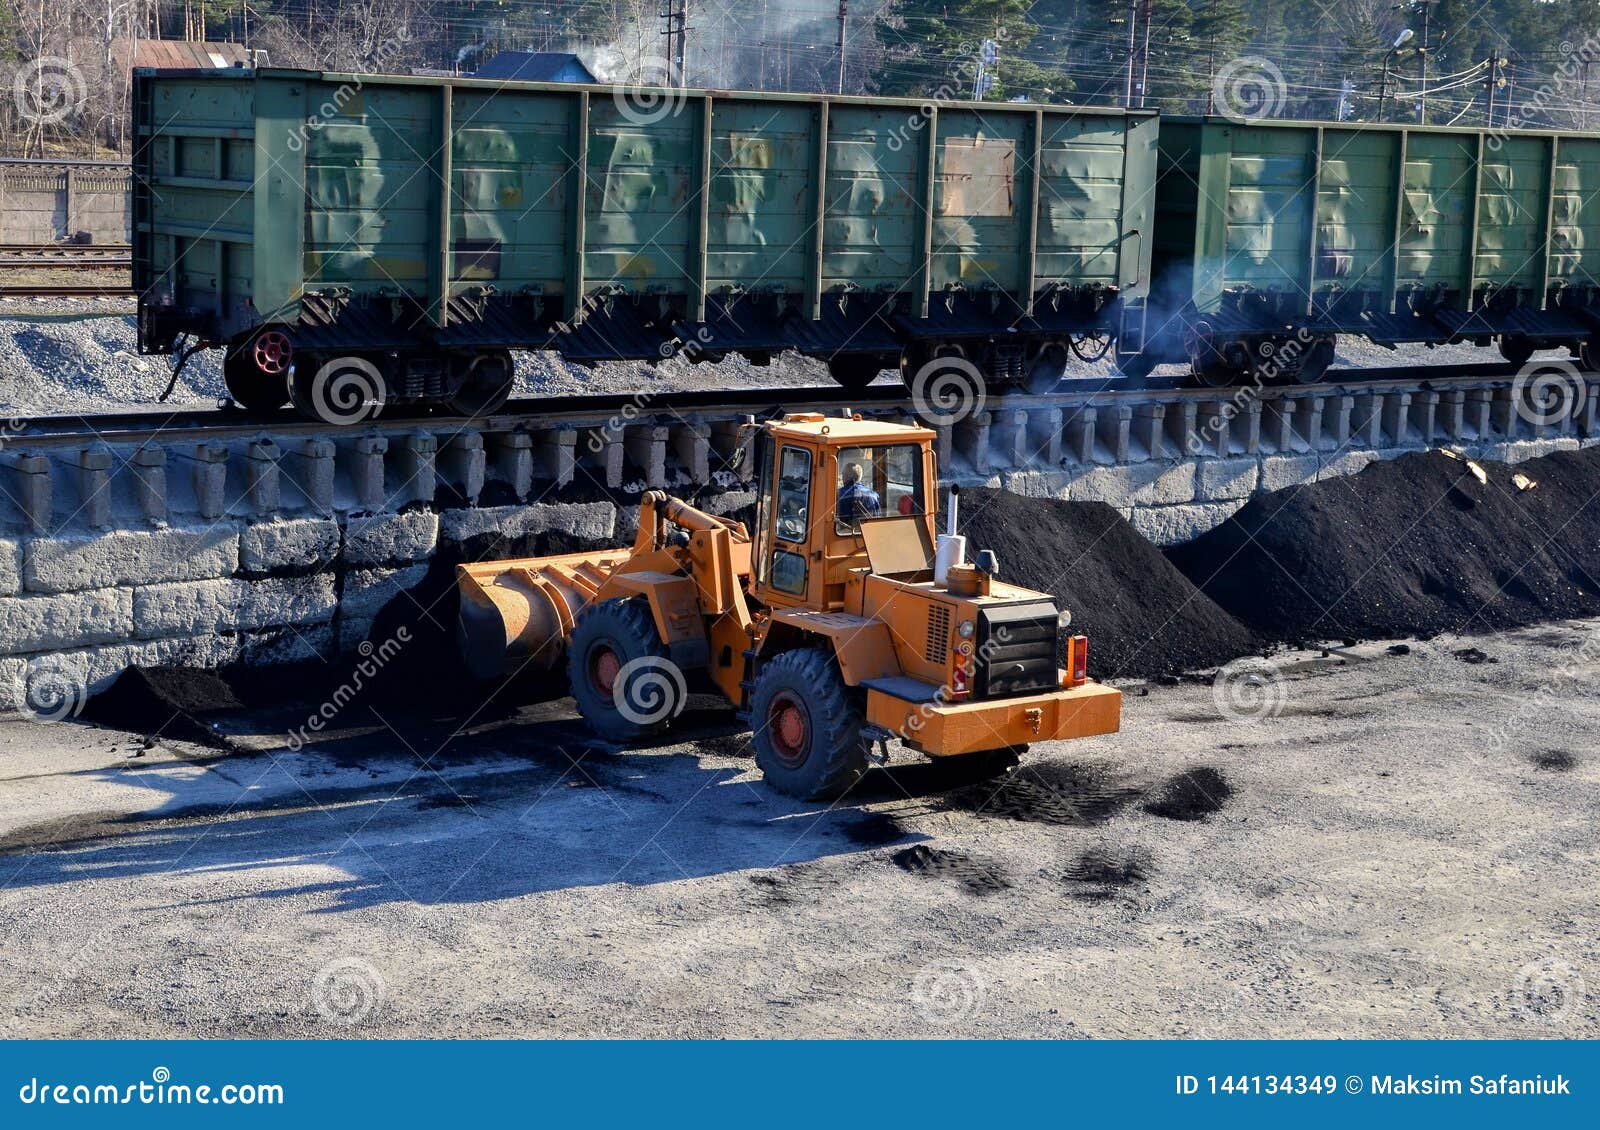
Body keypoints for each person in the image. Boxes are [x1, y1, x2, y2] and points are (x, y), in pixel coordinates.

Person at [837, 461, 881, 529]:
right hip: (868, 535)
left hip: (843, 534)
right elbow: (878, 520)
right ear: (860, 477)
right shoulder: (874, 496)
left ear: (845, 476)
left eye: (842, 475)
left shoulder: (838, 494)